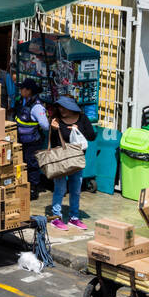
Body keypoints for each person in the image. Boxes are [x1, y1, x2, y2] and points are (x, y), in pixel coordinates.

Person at [47, 96, 96, 232]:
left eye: (64, 107)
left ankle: (74, 217)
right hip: (61, 161)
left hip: (76, 161)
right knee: (60, 189)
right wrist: (54, 129)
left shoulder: (83, 119)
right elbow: (54, 143)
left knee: (75, 190)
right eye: (60, 107)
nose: (61, 110)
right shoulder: (56, 120)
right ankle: (56, 217)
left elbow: (92, 136)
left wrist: (78, 129)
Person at [13, 77, 50, 191]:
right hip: (22, 140)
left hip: (32, 142)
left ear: (28, 90)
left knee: (32, 164)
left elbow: (45, 125)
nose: (20, 91)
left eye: (22, 89)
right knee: (23, 164)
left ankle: (33, 188)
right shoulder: (22, 101)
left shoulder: (37, 106)